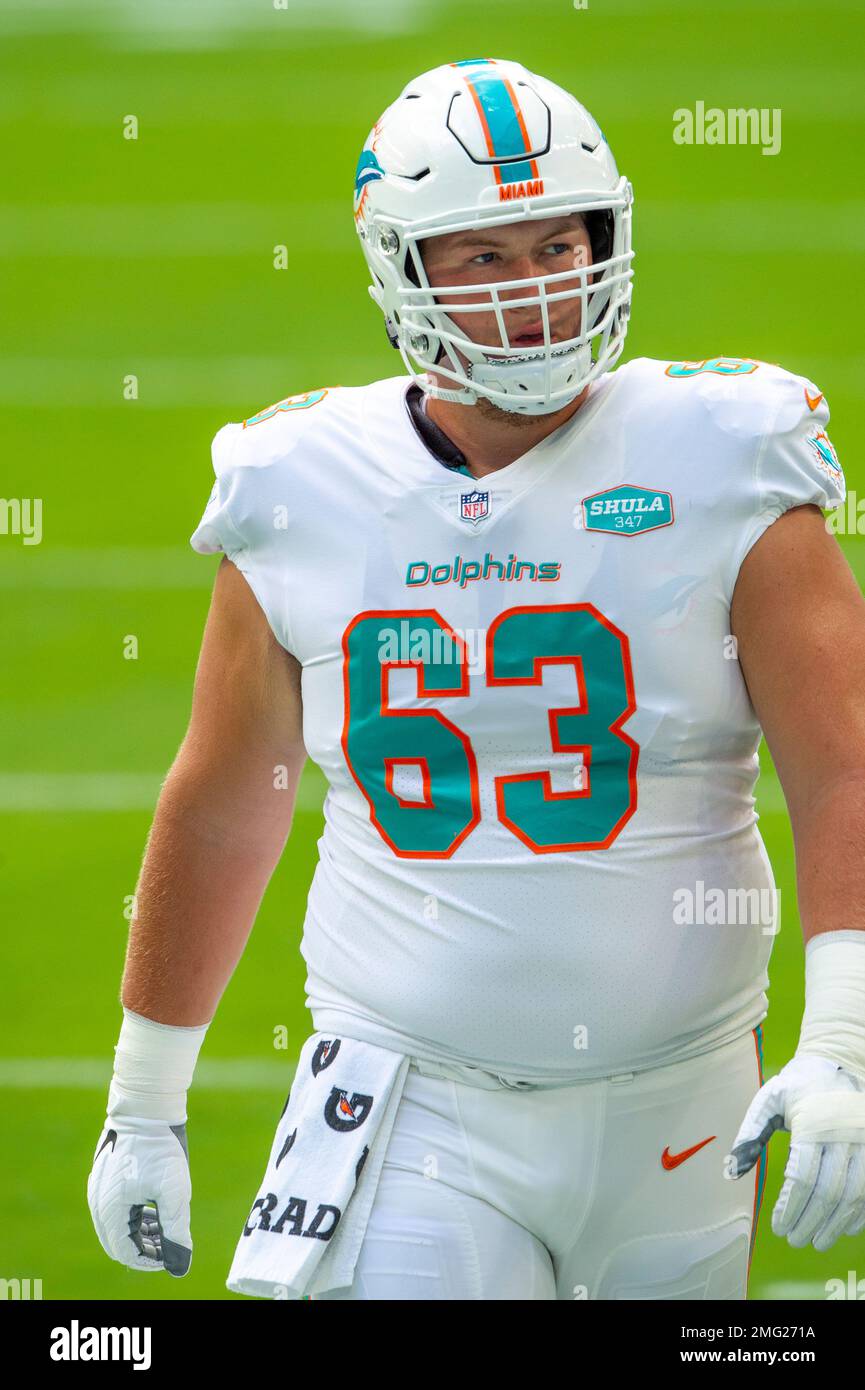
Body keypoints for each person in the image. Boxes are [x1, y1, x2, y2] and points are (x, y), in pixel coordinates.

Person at [88, 58, 865, 1301]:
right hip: (404, 1093)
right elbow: (229, 797)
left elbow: (842, 763)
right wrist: (143, 1100)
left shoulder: (722, 454)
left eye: (559, 243)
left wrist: (844, 1040)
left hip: (685, 1094)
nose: (537, 292)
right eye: (485, 258)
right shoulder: (298, 485)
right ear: (403, 269)